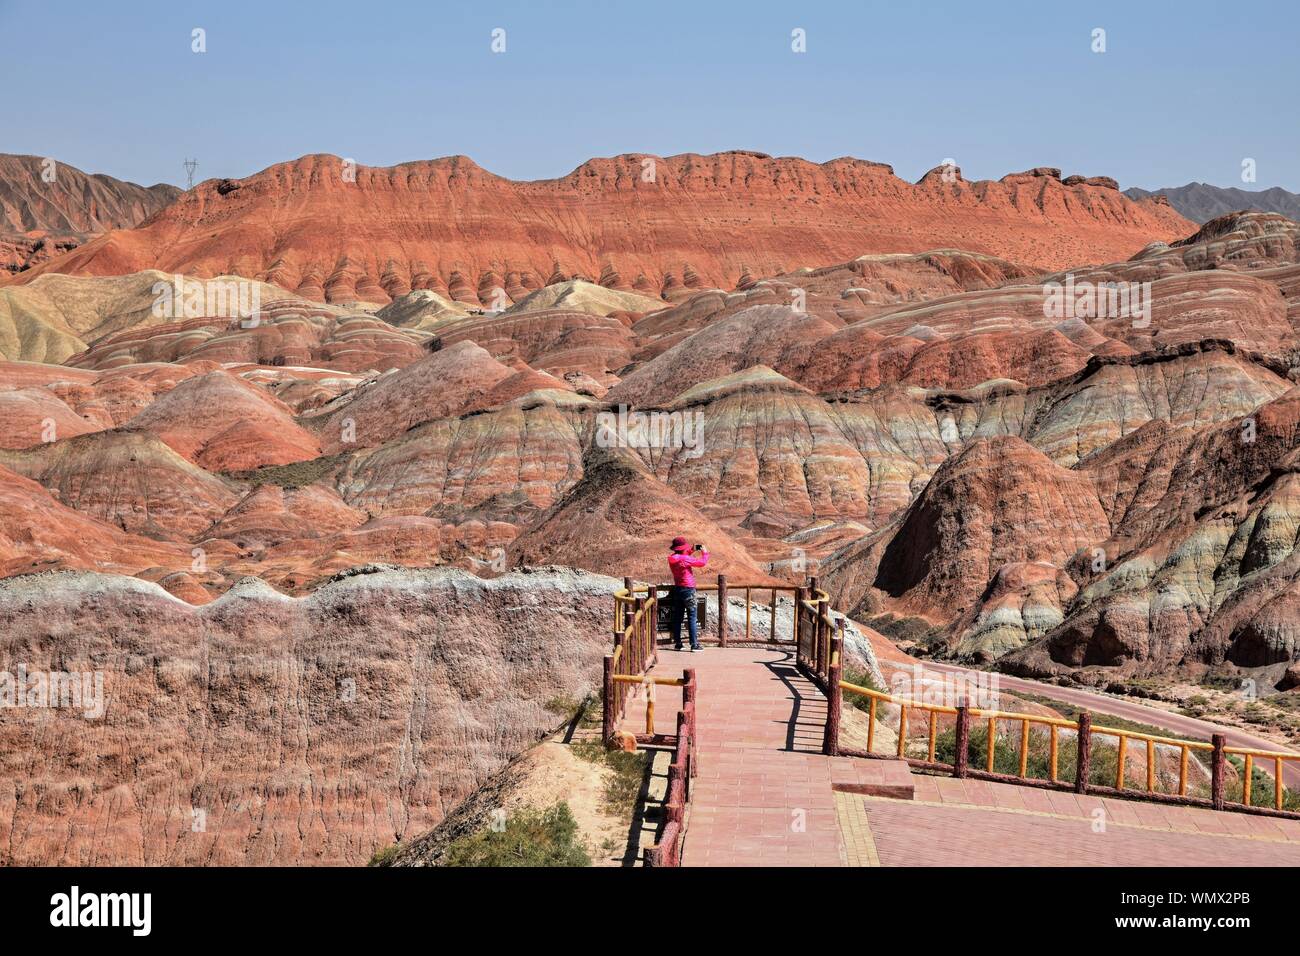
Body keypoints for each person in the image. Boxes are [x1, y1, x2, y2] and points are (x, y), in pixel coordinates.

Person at [667, 536, 709, 652]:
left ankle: (678, 643)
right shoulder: (685, 559)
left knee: (678, 618)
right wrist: (705, 553)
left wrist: (692, 550)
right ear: (683, 548)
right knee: (692, 617)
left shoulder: (672, 558)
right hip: (689, 589)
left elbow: (683, 555)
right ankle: (694, 645)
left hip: (678, 589)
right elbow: (702, 563)